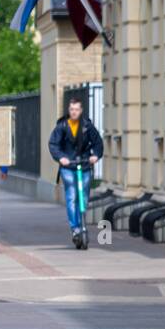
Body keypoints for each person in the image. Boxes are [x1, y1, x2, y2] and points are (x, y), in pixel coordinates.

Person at [48, 98, 104, 247]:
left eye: (76, 109)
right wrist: (61, 158)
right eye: (71, 109)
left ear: (81, 110)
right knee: (72, 196)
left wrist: (95, 156)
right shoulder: (62, 126)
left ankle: (82, 225)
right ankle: (75, 228)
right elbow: (53, 144)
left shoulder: (87, 126)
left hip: (84, 165)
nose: (74, 112)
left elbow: (98, 142)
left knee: (83, 198)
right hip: (68, 166)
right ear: (69, 110)